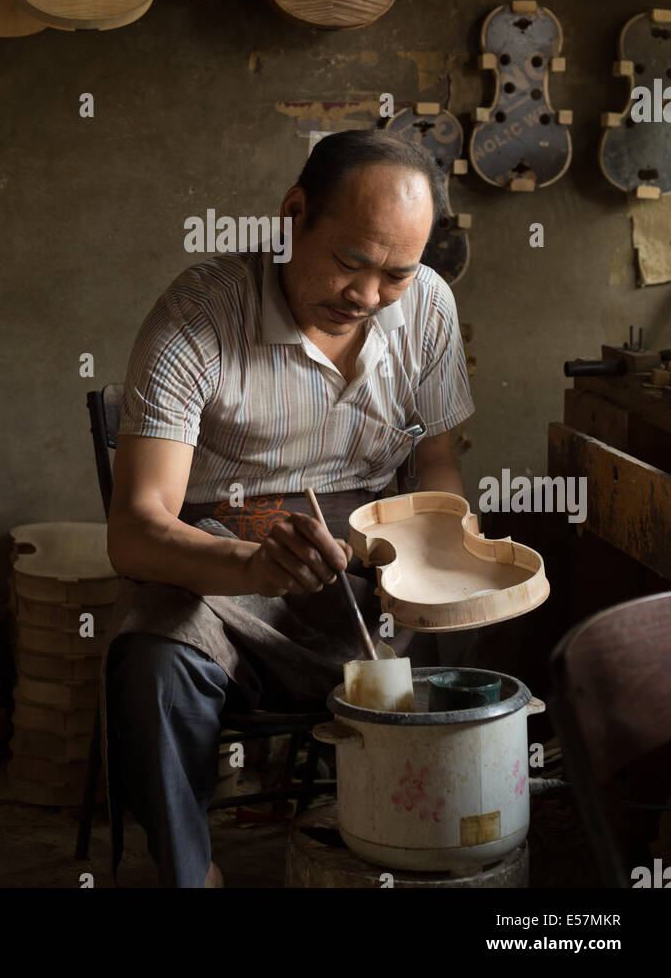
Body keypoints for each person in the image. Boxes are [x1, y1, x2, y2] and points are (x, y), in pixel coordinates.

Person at [104, 129, 474, 887]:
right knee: (156, 655)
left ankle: (410, 852)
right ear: (294, 214)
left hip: (370, 552)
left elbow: (436, 466)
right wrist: (251, 564)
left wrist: (445, 557)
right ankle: (188, 870)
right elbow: (137, 529)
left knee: (459, 653)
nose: (367, 297)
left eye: (396, 274)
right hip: (215, 550)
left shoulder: (429, 308)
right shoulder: (202, 313)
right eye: (349, 262)